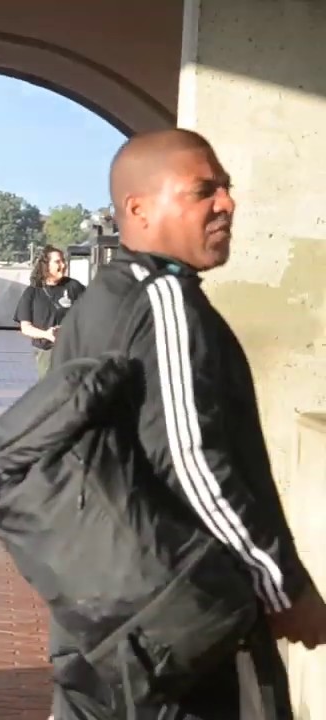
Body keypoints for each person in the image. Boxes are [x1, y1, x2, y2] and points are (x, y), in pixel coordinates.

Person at [48, 128, 326, 718]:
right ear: (139, 209)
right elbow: (195, 465)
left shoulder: (100, 303)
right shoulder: (163, 304)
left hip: (105, 623)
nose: (227, 203)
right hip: (174, 630)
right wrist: (283, 587)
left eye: (225, 188)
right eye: (205, 190)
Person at [13, 246, 85, 377]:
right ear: (46, 265)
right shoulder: (33, 292)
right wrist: (47, 334)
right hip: (46, 352)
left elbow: (89, 315)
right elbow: (26, 328)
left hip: (71, 350)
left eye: (63, 261)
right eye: (58, 262)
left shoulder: (74, 287)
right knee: (50, 389)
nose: (63, 265)